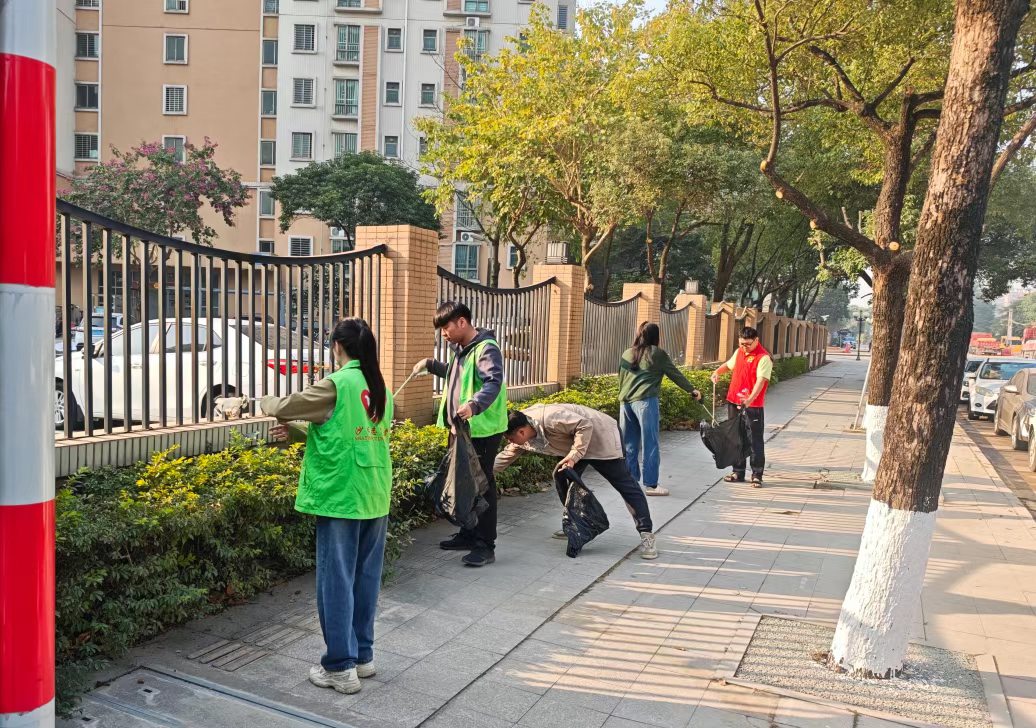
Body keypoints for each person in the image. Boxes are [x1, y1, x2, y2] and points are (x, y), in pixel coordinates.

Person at [260, 318, 392, 696]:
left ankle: (339, 667)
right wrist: (300, 432)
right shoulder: (376, 384)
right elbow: (350, 430)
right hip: (374, 492)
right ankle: (362, 657)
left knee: (336, 581)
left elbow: (288, 405)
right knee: (365, 579)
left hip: (341, 495)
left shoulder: (338, 383)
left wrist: (259, 401)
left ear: (337, 346)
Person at [495, 404, 659, 559]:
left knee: (625, 485)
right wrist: (481, 475)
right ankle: (577, 524)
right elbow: (506, 456)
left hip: (600, 438)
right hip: (574, 445)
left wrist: (574, 456)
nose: (509, 442)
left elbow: (585, 425)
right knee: (561, 478)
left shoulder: (551, 418)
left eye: (509, 438)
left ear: (521, 432)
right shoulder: (521, 428)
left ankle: (646, 534)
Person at [412, 301, 507, 567]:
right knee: (463, 484)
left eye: (446, 327)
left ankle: (485, 545)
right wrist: (430, 364)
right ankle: (468, 533)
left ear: (462, 322)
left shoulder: (486, 349)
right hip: (462, 429)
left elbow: (493, 382)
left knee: (481, 485)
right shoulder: (462, 349)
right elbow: (456, 376)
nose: (443, 333)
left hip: (482, 430)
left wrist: (474, 405)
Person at [618, 322, 702, 496]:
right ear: (656, 335)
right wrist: (692, 390)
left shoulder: (627, 352)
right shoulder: (657, 354)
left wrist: (623, 397)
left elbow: (621, 377)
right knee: (650, 443)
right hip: (646, 402)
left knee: (629, 444)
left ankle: (630, 483)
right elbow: (674, 374)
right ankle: (651, 485)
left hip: (625, 403)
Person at [711, 326, 772, 487]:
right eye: (742, 343)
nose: (744, 347)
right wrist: (717, 371)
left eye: (748, 344)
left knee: (754, 439)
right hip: (734, 401)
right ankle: (738, 472)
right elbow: (729, 365)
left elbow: (761, 381)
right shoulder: (739, 352)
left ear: (756, 340)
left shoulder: (763, 357)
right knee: (735, 438)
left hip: (753, 405)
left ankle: (757, 474)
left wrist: (750, 399)